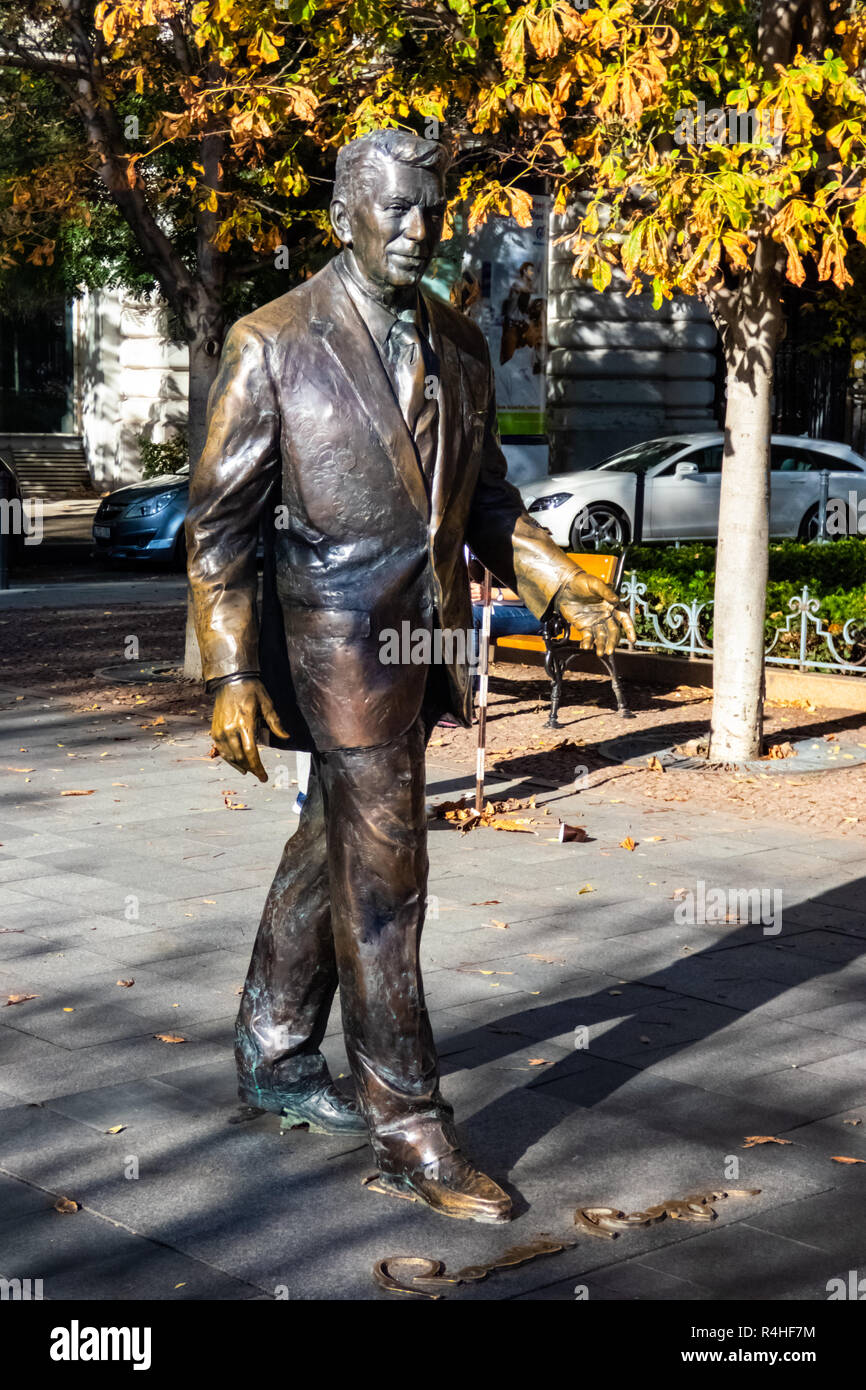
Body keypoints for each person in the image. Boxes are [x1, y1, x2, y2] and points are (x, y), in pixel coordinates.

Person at [186, 128, 635, 1225]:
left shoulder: (461, 344)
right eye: (393, 210)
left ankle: (276, 1044)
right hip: (329, 644)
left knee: (330, 842)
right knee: (386, 889)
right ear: (344, 215)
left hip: (422, 645)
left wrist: (556, 580)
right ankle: (407, 1124)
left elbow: (483, 509)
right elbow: (216, 530)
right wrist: (231, 669)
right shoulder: (271, 341)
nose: (416, 230)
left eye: (429, 209)